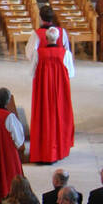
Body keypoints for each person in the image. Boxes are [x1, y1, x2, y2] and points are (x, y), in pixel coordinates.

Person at [30, 25, 75, 164]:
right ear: (58, 38)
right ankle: (58, 150)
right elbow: (71, 74)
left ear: (46, 38)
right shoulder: (65, 54)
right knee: (59, 117)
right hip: (59, 91)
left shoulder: (38, 53)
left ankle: (42, 152)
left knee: (43, 118)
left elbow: (33, 73)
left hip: (43, 91)